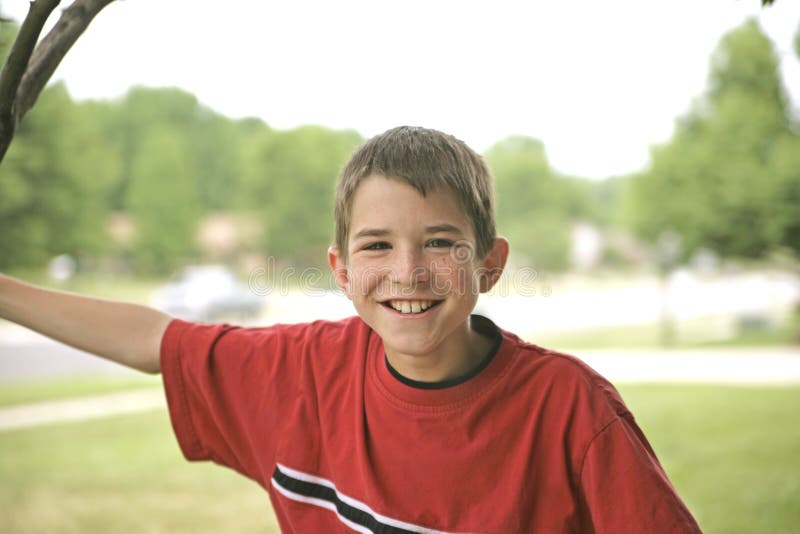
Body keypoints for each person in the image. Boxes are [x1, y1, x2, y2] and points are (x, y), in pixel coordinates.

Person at [0, 126, 701, 533]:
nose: (408, 271)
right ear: (339, 268)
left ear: (491, 264)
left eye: (440, 242)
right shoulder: (298, 372)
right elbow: (152, 340)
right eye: (376, 246)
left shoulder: (570, 412)